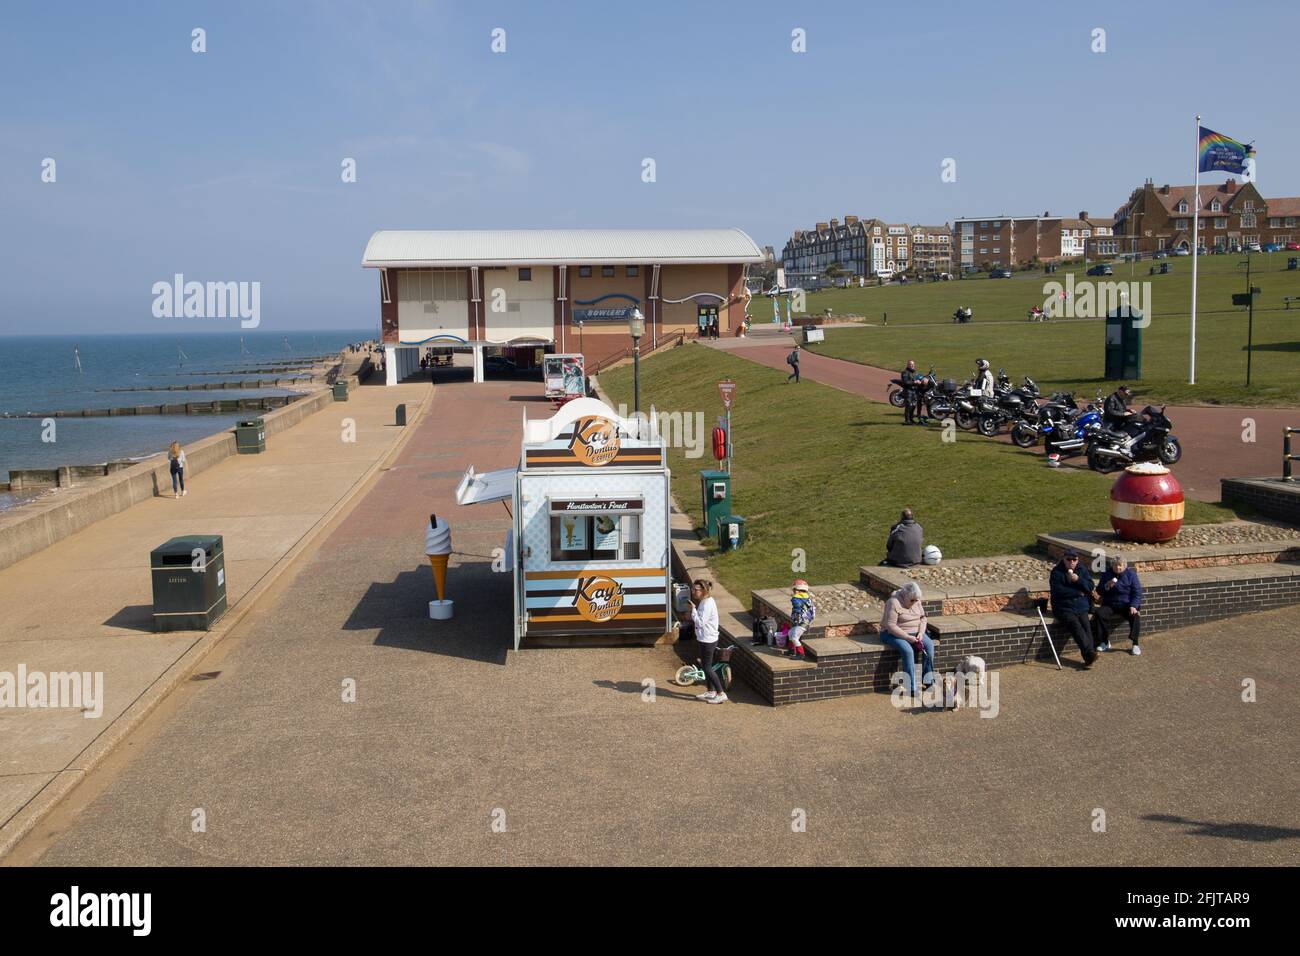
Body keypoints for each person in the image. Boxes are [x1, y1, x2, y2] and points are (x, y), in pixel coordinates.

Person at [879, 581, 935, 702]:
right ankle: (911, 686)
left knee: (929, 646)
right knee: (908, 651)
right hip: (893, 633)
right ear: (905, 596)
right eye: (912, 600)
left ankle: (928, 680)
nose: (914, 602)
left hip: (916, 632)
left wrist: (921, 633)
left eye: (916, 600)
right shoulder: (893, 602)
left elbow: (923, 618)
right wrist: (908, 638)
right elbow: (891, 625)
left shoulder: (917, 600)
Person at [1049, 549, 1099, 667]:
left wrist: (1078, 580)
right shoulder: (1056, 572)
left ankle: (1089, 657)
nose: (1071, 562)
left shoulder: (1082, 569)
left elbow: (1090, 586)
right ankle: (1089, 653)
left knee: (1086, 626)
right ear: (1063, 559)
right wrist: (1077, 593)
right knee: (1075, 625)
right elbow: (1058, 591)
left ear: (1077, 560)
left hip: (1081, 606)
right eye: (1069, 559)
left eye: (1074, 559)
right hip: (1063, 607)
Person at [689, 579, 726, 703]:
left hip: (708, 639)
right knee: (706, 666)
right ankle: (711, 691)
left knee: (708, 668)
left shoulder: (707, 604)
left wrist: (693, 610)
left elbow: (700, 623)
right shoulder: (704, 602)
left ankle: (721, 693)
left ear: (703, 590)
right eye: (692, 589)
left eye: (696, 589)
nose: (693, 592)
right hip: (704, 638)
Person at [1097, 555, 1143, 655]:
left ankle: (1135, 643)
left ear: (1124, 566)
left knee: (1135, 615)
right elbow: (1099, 590)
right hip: (1110, 603)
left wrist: (1133, 605)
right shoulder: (1106, 575)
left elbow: (1137, 592)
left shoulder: (1131, 575)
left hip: (1126, 603)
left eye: (1120, 565)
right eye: (1115, 565)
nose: (1117, 567)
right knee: (1100, 614)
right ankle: (1104, 641)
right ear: (1112, 566)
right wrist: (1106, 586)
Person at [784, 579, 816, 658]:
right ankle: (791, 650)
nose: (793, 592)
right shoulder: (807, 598)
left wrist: (797, 618)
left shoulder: (796, 598)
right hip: (806, 620)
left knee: (794, 637)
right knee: (790, 633)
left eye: (794, 590)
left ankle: (801, 654)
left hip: (801, 622)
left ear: (797, 590)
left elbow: (797, 608)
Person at [425, 513, 452, 602]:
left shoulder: (439, 525)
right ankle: (441, 597)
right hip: (439, 549)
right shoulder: (441, 525)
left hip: (437, 549)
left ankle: (441, 597)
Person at [900, 360, 925, 425]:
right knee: (908, 406)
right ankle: (907, 421)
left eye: (913, 364)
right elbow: (905, 382)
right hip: (908, 391)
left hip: (914, 391)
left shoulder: (914, 373)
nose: (912, 366)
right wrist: (914, 382)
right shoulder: (905, 372)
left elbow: (917, 379)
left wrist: (920, 381)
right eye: (911, 364)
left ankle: (911, 419)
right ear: (907, 365)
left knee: (913, 406)